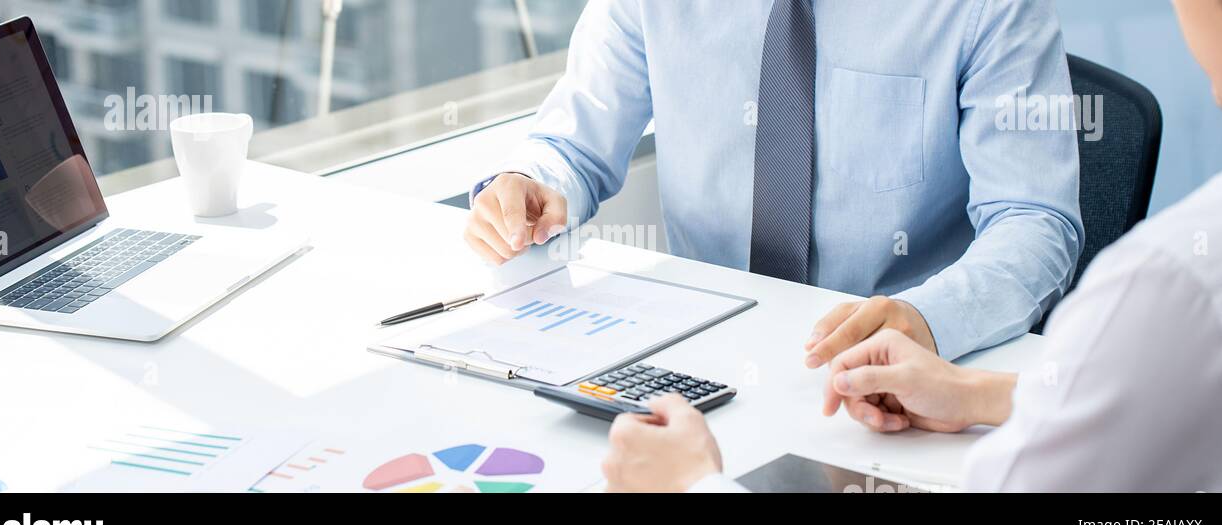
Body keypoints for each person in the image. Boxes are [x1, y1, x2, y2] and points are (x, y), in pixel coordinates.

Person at [601, 0, 1222, 493]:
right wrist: (978, 393)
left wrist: (692, 487)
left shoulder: (1185, 283)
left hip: (867, 431)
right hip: (741, 387)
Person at [465, 0, 1084, 366]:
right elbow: (573, 143)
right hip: (703, 352)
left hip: (899, 372)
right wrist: (533, 183)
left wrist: (929, 319)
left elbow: (1034, 219)